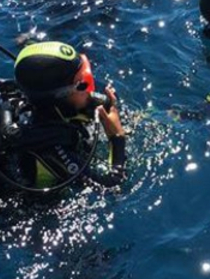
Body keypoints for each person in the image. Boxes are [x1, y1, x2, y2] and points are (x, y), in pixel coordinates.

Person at [10, 41, 128, 189]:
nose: (90, 90)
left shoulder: (37, 98)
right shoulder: (52, 146)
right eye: (84, 84)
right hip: (39, 205)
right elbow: (111, 186)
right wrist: (117, 138)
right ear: (60, 96)